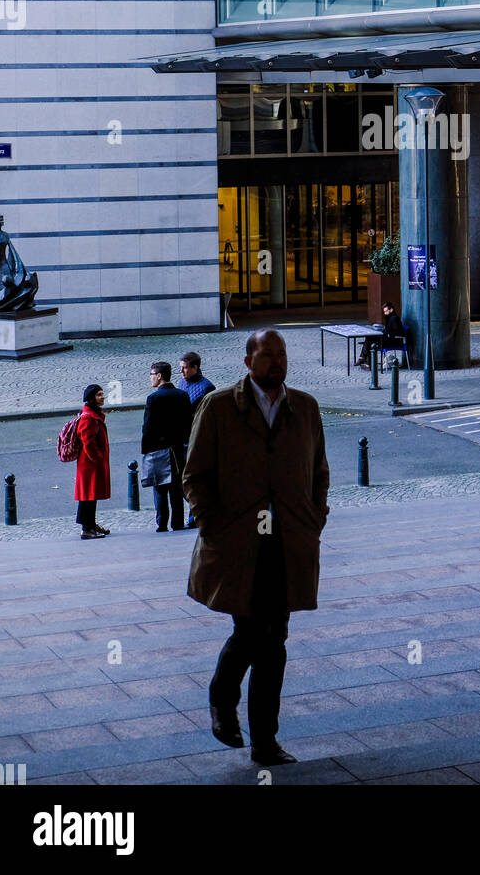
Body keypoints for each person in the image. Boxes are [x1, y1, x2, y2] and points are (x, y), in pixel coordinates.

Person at [182, 328, 329, 766]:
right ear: (248, 361)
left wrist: (314, 518)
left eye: (281, 354)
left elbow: (319, 470)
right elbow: (195, 475)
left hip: (288, 541)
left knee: (275, 638)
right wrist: (212, 525)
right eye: (267, 355)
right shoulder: (220, 406)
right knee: (250, 631)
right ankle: (223, 698)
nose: (277, 362)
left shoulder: (304, 407)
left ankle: (265, 741)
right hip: (239, 543)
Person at [142, 361, 193, 532]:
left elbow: (147, 428)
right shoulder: (182, 395)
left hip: (158, 448)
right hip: (177, 447)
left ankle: (162, 523)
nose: (150, 378)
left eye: (151, 374)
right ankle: (177, 522)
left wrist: (146, 450)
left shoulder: (153, 398)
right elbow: (188, 423)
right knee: (176, 487)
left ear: (159, 376)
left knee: (160, 488)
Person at [177, 353, 215, 527]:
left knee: (195, 478)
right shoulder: (182, 382)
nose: (181, 371)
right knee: (183, 480)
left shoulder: (206, 387)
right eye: (180, 367)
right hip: (182, 437)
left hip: (197, 438)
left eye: (185, 367)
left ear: (195, 368)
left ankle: (195, 515)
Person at [74, 384, 111, 540]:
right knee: (88, 496)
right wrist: (97, 458)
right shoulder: (88, 417)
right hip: (89, 464)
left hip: (90, 463)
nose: (102, 397)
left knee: (91, 495)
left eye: (102, 394)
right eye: (99, 395)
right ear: (91, 398)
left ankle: (90, 524)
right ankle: (87, 528)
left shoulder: (93, 414)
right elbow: (87, 441)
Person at [356, 302, 405, 370]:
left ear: (391, 310)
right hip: (388, 339)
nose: (385, 313)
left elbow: (397, 332)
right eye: (384, 311)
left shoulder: (394, 318)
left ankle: (365, 360)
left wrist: (387, 334)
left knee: (370, 341)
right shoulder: (390, 317)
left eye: (386, 311)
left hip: (394, 341)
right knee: (369, 338)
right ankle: (365, 360)